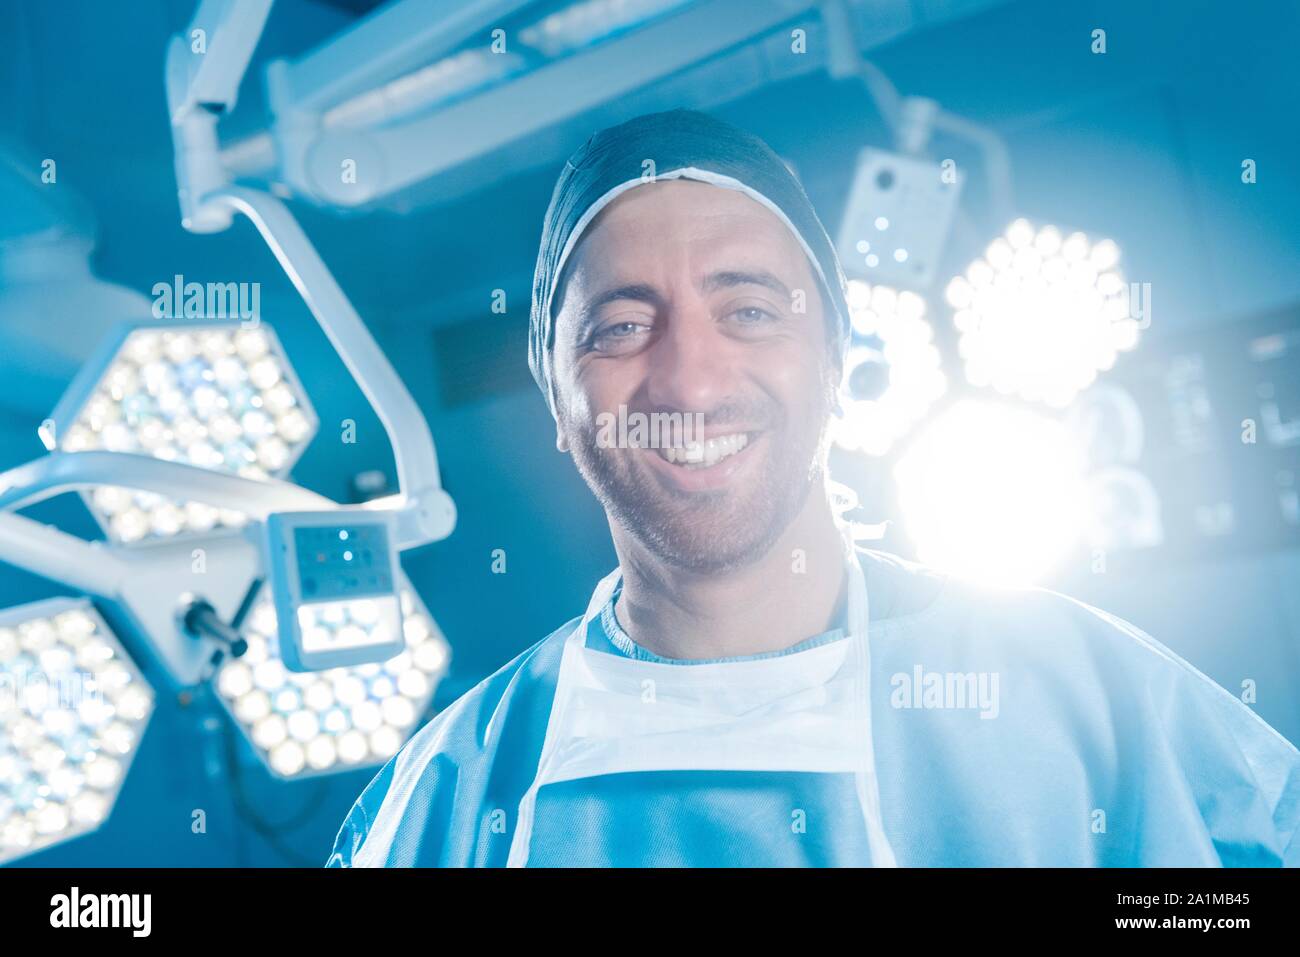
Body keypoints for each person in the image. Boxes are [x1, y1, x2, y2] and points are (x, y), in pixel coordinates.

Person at [327, 109, 1299, 867]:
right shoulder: (444, 801)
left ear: (837, 359)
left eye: (747, 309)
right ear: (556, 395)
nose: (692, 382)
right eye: (621, 327)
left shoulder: (1086, 703)